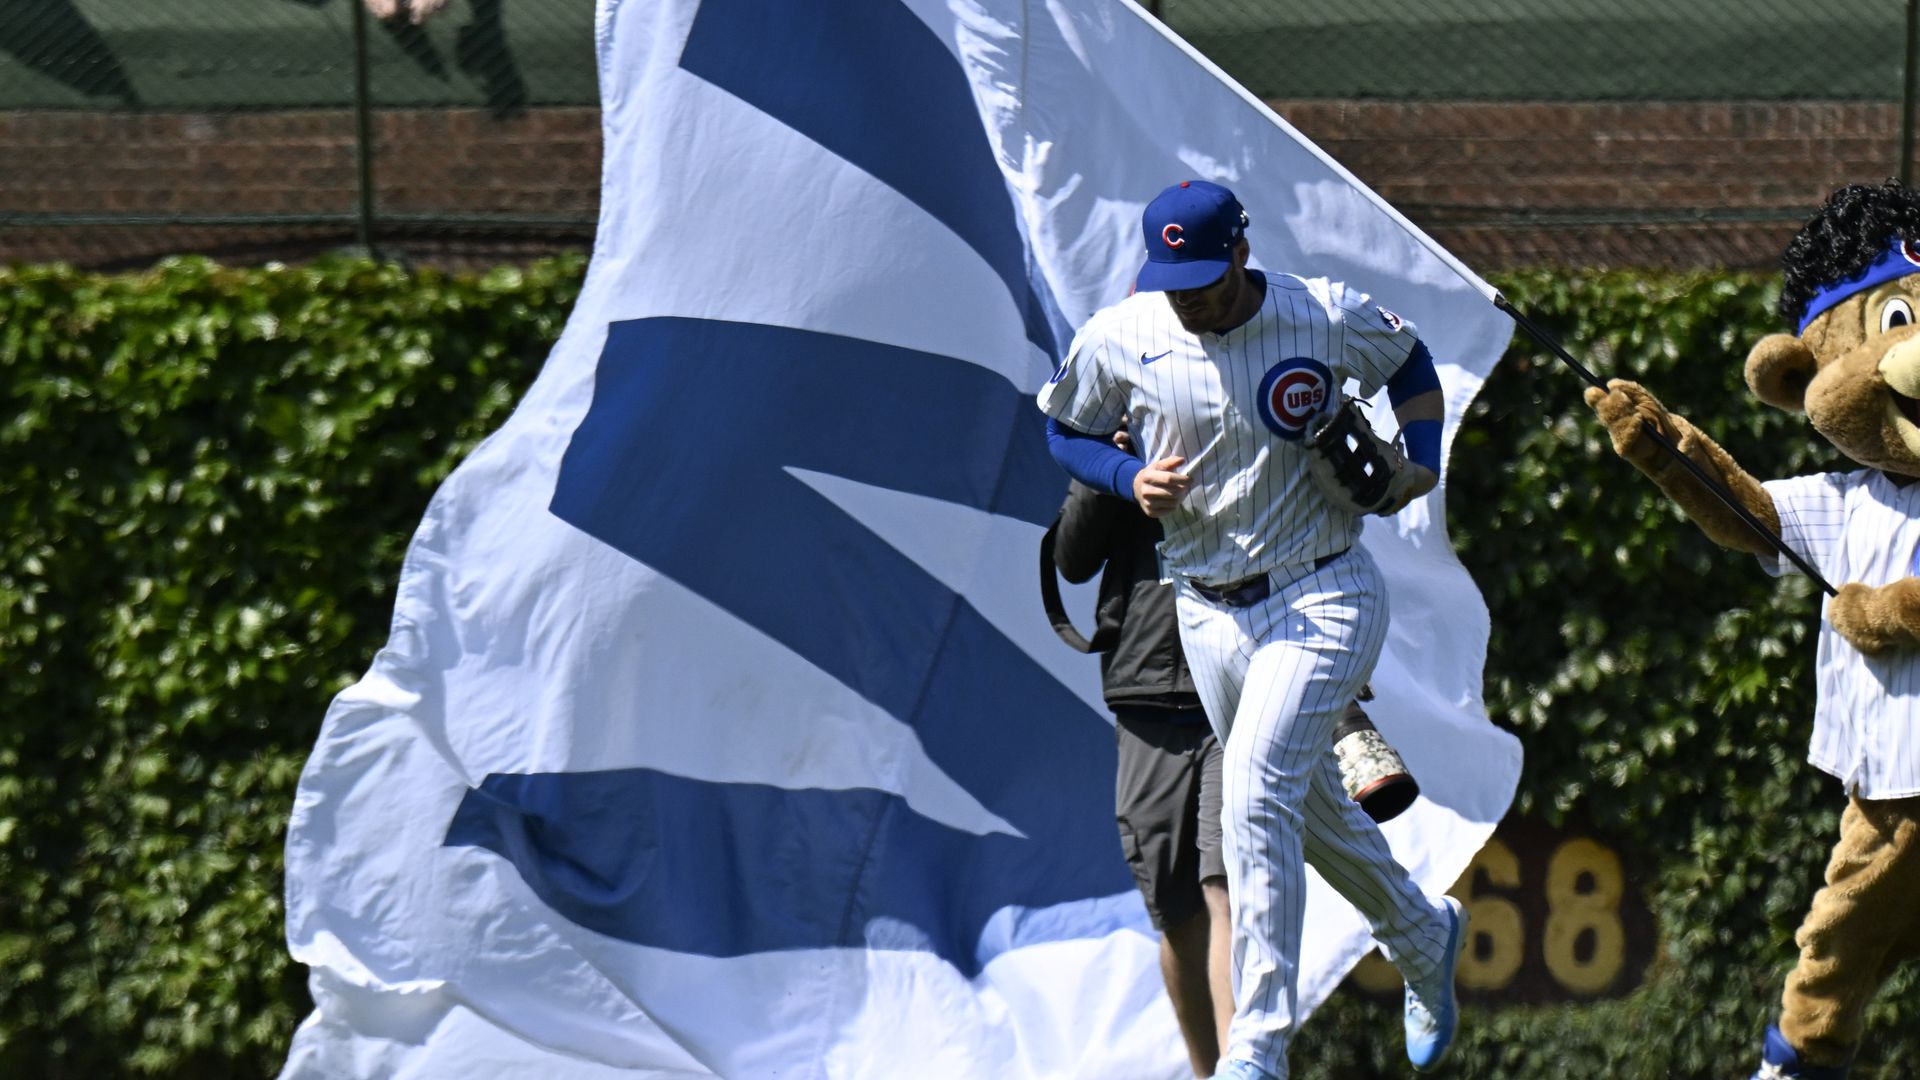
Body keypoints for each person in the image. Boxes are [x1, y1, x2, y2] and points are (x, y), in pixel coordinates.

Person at [1035, 179, 1466, 1079]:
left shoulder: (1322, 315)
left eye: (1202, 273)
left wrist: (1421, 462)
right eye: (1171, 275)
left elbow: (1413, 364)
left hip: (1325, 591)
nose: (1187, 294)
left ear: (1240, 250)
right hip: (1205, 610)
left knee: (1257, 792)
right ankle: (1423, 937)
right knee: (1306, 816)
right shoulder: (1125, 334)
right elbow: (1065, 431)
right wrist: (1124, 481)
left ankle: (1259, 1045)